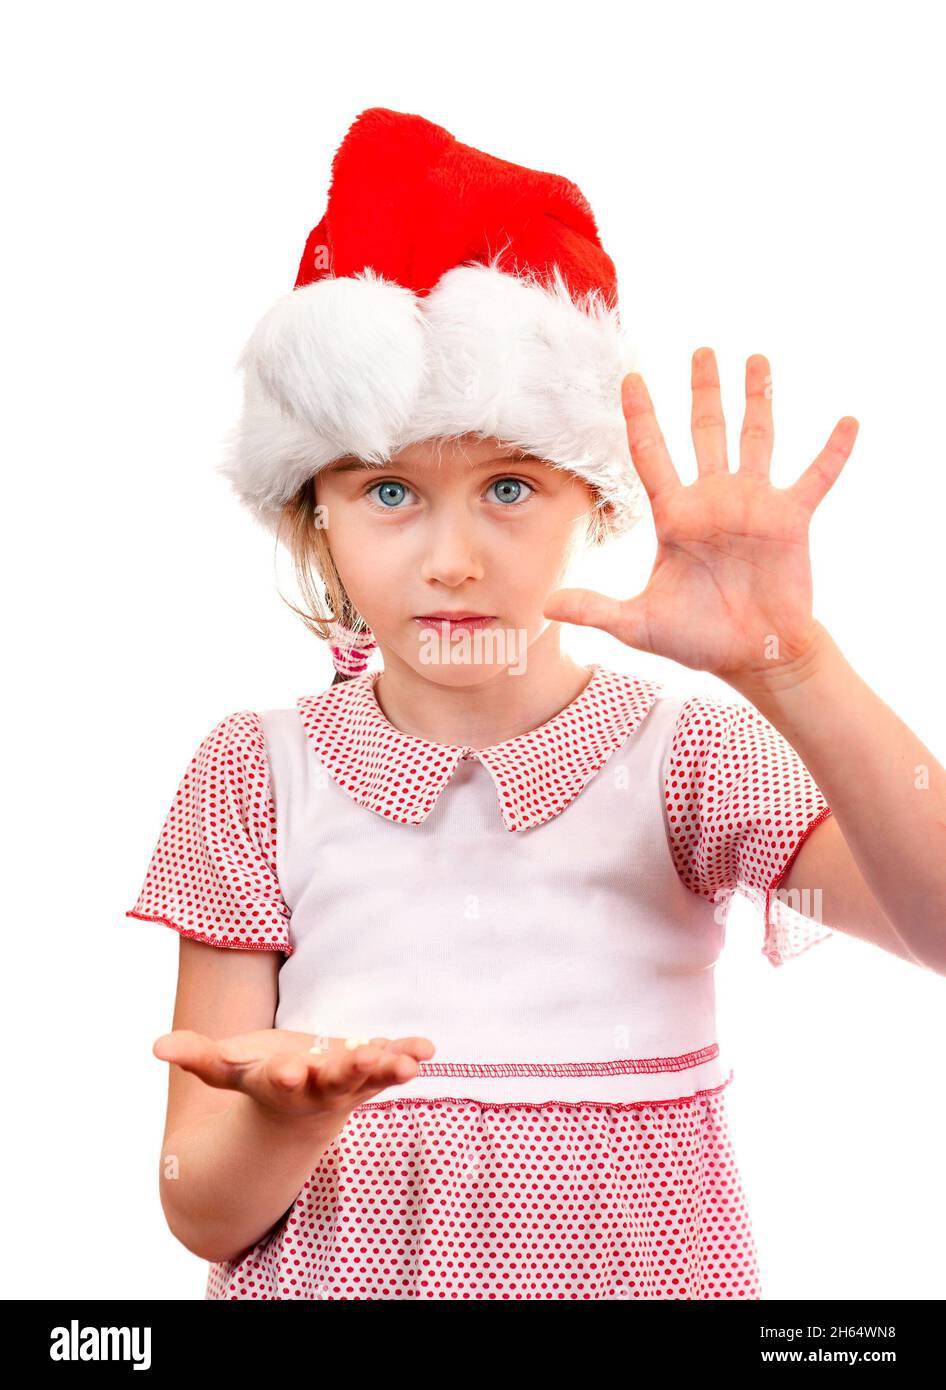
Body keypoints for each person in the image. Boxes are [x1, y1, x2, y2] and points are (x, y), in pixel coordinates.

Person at [126, 106, 946, 1301]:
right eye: (391, 490)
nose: (452, 560)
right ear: (315, 512)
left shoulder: (686, 757)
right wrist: (294, 1119)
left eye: (508, 485)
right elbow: (197, 1203)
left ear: (593, 501)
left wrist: (791, 665)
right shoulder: (257, 774)